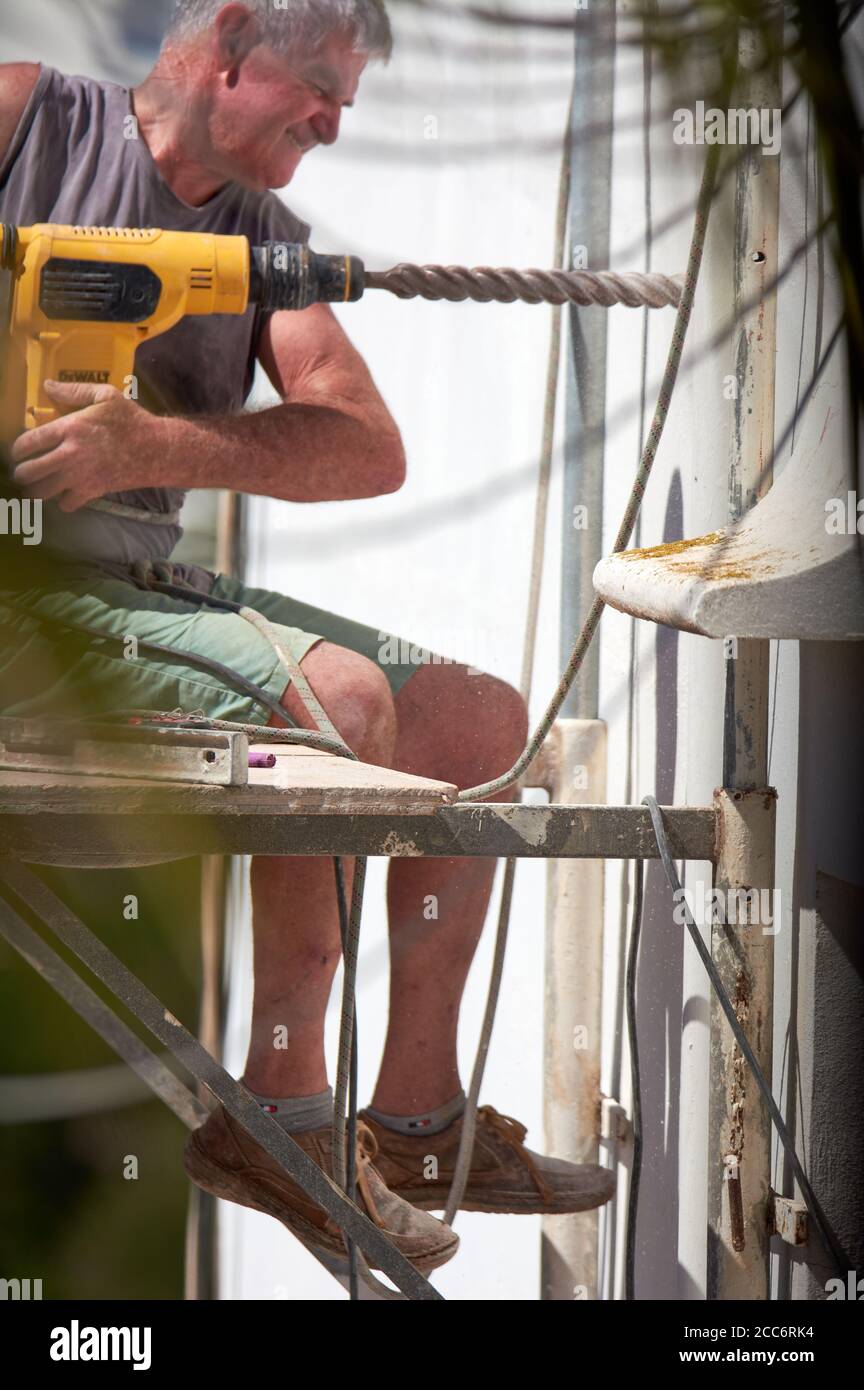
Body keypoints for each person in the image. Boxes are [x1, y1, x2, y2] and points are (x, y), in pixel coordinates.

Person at [0, 0, 615, 1276]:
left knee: (481, 724)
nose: (339, 122)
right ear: (232, 42)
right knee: (336, 703)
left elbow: (368, 445)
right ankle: (279, 1109)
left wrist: (155, 445)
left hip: (136, 587)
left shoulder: (255, 242)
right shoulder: (24, 121)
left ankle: (415, 1122)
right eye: (323, 86)